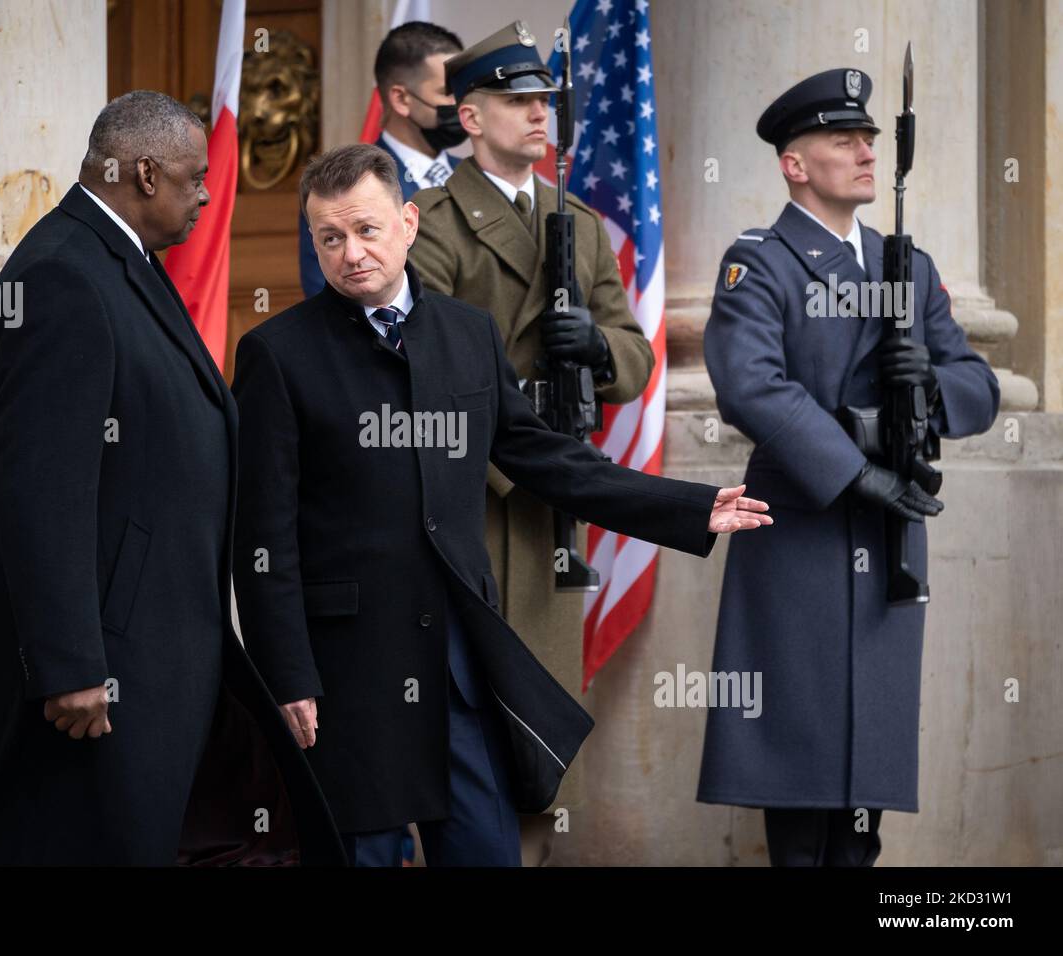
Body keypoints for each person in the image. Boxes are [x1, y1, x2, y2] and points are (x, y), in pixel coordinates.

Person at [233, 143, 772, 867]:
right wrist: (288, 675)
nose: (350, 252)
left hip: (459, 667)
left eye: (366, 229)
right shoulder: (277, 352)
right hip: (346, 679)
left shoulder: (467, 334)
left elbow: (547, 458)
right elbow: (263, 533)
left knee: (488, 854)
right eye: (329, 238)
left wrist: (684, 507)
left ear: (408, 224)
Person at [0, 91, 344, 866]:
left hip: (165, 655)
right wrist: (71, 664)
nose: (207, 193)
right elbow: (41, 487)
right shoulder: (62, 274)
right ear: (143, 173)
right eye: (194, 177)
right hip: (104, 675)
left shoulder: (121, 261)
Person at [698, 69, 1000, 866]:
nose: (866, 151)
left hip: (889, 537)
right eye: (844, 139)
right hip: (803, 529)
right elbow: (750, 386)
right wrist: (851, 469)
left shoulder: (910, 266)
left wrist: (925, 386)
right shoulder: (759, 263)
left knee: (867, 776)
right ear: (795, 165)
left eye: (869, 138)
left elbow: (979, 383)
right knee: (798, 781)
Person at [407, 20, 655, 863]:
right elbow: (421, 361)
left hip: (550, 516)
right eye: (516, 102)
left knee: (537, 754)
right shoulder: (433, 224)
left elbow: (635, 356)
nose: (538, 115)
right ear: (470, 118)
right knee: (466, 742)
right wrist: (516, 453)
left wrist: (596, 345)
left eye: (544, 100)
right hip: (471, 503)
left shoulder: (575, 223)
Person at [298, 20, 465, 298]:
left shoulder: (472, 176)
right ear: (401, 98)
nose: (461, 104)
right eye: (447, 93)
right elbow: (325, 295)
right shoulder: (347, 183)